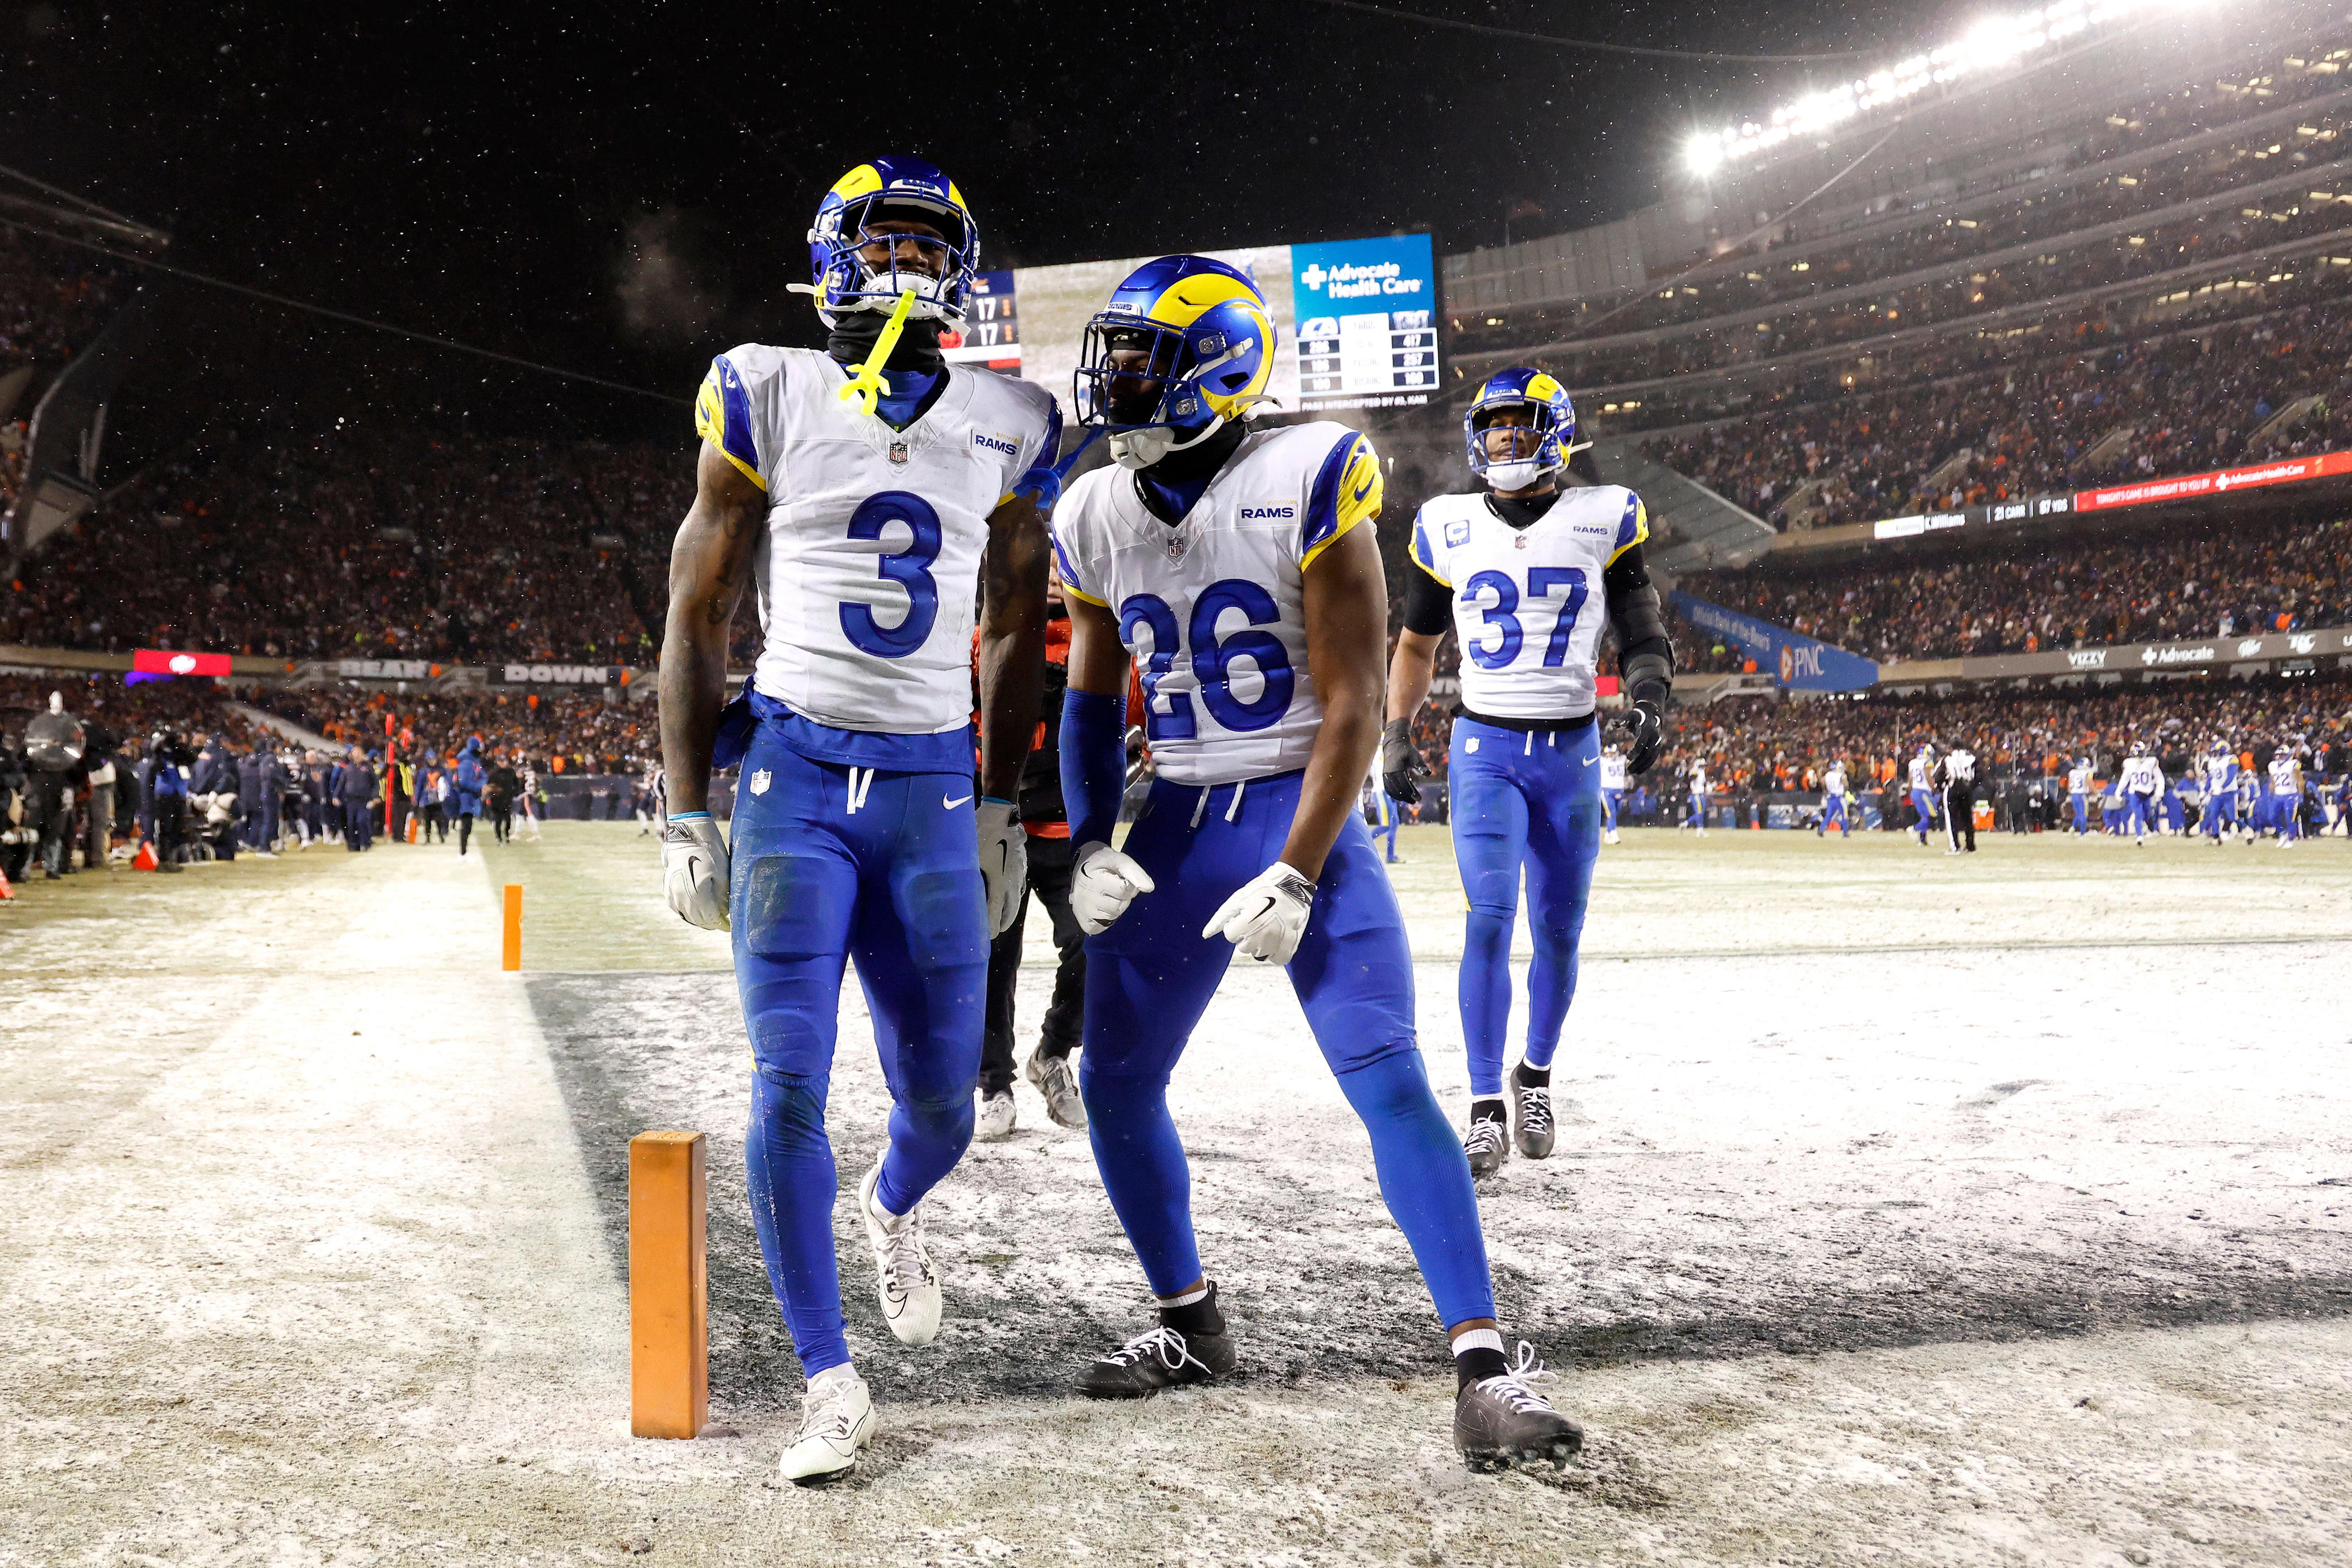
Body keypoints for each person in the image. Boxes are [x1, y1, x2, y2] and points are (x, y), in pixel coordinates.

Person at [1053, 257, 1581, 1471]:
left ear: (1217, 367)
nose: (1116, 380)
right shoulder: (1093, 510)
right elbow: (1087, 700)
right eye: (1115, 356)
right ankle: (1191, 1322)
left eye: (1140, 358)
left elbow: (1352, 702)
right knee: (1116, 1081)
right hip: (1176, 820)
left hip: (1302, 805)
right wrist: (1084, 838)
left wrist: (1297, 867)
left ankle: (1483, 1369)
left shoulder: (1309, 470)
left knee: (1386, 1074)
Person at [654, 157, 1061, 1485]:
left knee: (943, 1104)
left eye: (928, 247)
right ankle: (828, 1377)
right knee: (786, 1074)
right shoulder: (763, 387)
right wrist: (685, 808)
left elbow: (1014, 627)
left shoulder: (1010, 418)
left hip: (932, 788)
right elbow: (700, 606)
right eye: (885, 241)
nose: (906, 266)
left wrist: (999, 801)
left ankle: (892, 1207)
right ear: (833, 254)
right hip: (796, 778)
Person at [1382, 365, 1672, 1183]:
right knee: (1488, 920)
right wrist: (1395, 730)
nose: (1505, 439)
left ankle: (1533, 1076)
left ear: (1556, 433)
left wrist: (1650, 695)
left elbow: (1640, 625)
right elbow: (1415, 645)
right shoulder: (1445, 524)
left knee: (1559, 931)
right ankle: (1483, 1104)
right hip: (1486, 750)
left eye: (1520, 425)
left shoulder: (1603, 515)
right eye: (1494, 427)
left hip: (1571, 753)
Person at [976, 560, 1092, 1141]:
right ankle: (993, 1084)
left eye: (1059, 561)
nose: (1050, 571)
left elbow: (1133, 721)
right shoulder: (984, 638)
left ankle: (1051, 1055)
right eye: (1040, 559)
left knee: (1094, 944)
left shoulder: (1098, 635)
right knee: (994, 962)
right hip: (1003, 827)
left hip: (1068, 831)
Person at [1934, 740, 1977, 854]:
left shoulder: (1947, 758)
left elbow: (1938, 776)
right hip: (1967, 789)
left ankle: (1955, 847)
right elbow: (1980, 775)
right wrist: (1971, 786)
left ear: (1952, 747)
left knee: (1952, 819)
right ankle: (1970, 846)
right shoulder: (1972, 758)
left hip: (1953, 788)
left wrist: (1943, 787)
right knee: (1968, 818)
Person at [2119, 743, 2161, 844]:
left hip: (2148, 792)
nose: (2138, 757)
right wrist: (2119, 791)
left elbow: (2160, 778)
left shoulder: (2151, 762)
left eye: (2140, 754)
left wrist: (2160, 790)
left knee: (2147, 814)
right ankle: (2140, 836)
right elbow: (2125, 778)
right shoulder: (2129, 763)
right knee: (2138, 814)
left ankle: (2150, 830)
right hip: (2135, 791)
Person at [2201, 740, 2238, 845]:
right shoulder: (2212, 761)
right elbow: (2211, 777)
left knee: (2232, 816)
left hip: (2229, 792)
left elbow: (2231, 776)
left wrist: (2222, 787)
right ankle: (2216, 838)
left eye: (2216, 752)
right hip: (2216, 793)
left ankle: (2248, 832)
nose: (2214, 754)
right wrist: (2205, 790)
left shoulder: (2231, 759)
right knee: (2213, 815)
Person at [453, 738, 486, 856]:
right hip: (465, 798)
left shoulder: (474, 761)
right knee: (466, 826)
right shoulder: (467, 762)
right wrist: (480, 786)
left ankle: (464, 852)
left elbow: (484, 777)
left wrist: (482, 784)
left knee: (468, 826)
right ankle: (463, 853)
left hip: (471, 797)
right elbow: (464, 782)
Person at [2268, 744, 2304, 848]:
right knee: (2271, 817)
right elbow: (2272, 782)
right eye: (2279, 755)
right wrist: (2271, 794)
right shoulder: (2272, 765)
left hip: (2291, 795)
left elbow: (2300, 781)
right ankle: (2283, 833)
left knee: (2290, 819)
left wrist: (2300, 795)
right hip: (2278, 795)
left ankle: (2291, 840)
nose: (2280, 757)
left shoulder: (2293, 764)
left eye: (2282, 755)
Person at [1906, 743, 1938, 845]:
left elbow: (1910, 779)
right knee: (1931, 815)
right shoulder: (1928, 762)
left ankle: (1923, 840)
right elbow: (1928, 777)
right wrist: (1934, 787)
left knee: (1924, 817)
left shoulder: (1913, 762)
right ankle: (1914, 829)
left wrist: (1911, 789)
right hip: (1924, 792)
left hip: (1915, 791)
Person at [1597, 740, 1628, 844]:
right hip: (1607, 790)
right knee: (1612, 813)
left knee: (1615, 813)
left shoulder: (1622, 759)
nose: (1610, 755)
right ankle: (1614, 834)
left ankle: (1608, 833)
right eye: (1609, 753)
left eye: (1612, 753)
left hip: (1620, 791)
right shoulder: (1602, 761)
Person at [1817, 757, 1850, 838]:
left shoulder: (1828, 774)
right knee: (1845, 815)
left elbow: (1822, 781)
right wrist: (1845, 790)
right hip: (1839, 798)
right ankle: (1845, 832)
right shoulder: (1842, 775)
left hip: (1830, 797)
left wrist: (1826, 789)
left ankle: (1821, 829)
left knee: (1828, 815)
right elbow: (1846, 784)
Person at [2066, 755, 2093, 836]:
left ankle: (2073, 827)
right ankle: (2082, 833)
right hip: (2082, 795)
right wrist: (2096, 793)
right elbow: (2090, 784)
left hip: (2074, 795)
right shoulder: (2085, 773)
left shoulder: (2072, 772)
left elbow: (2069, 787)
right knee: (2084, 814)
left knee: (2078, 814)